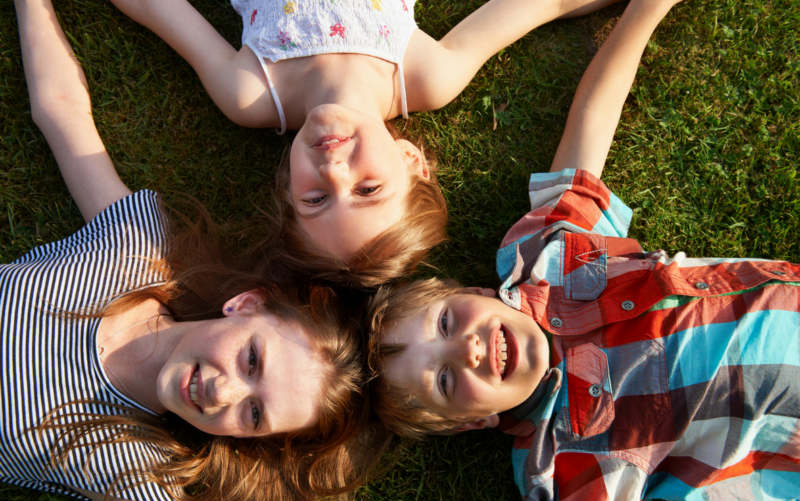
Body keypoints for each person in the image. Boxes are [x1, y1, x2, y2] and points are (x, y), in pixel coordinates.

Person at [365, 0, 800, 501]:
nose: (469, 349)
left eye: (446, 322)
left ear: (475, 294)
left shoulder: (546, 255)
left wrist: (647, 8)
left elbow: (591, 124)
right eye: (446, 381)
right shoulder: (557, 469)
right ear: (472, 423)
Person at [7, 1, 383, 501]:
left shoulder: (134, 462)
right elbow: (62, 112)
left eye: (254, 415)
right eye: (252, 360)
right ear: (246, 305)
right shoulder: (138, 250)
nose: (222, 391)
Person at [107, 0, 621, 287]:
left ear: (287, 189)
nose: (334, 171)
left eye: (315, 199)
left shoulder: (250, 92)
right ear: (411, 160)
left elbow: (161, 10)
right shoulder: (426, 74)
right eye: (369, 188)